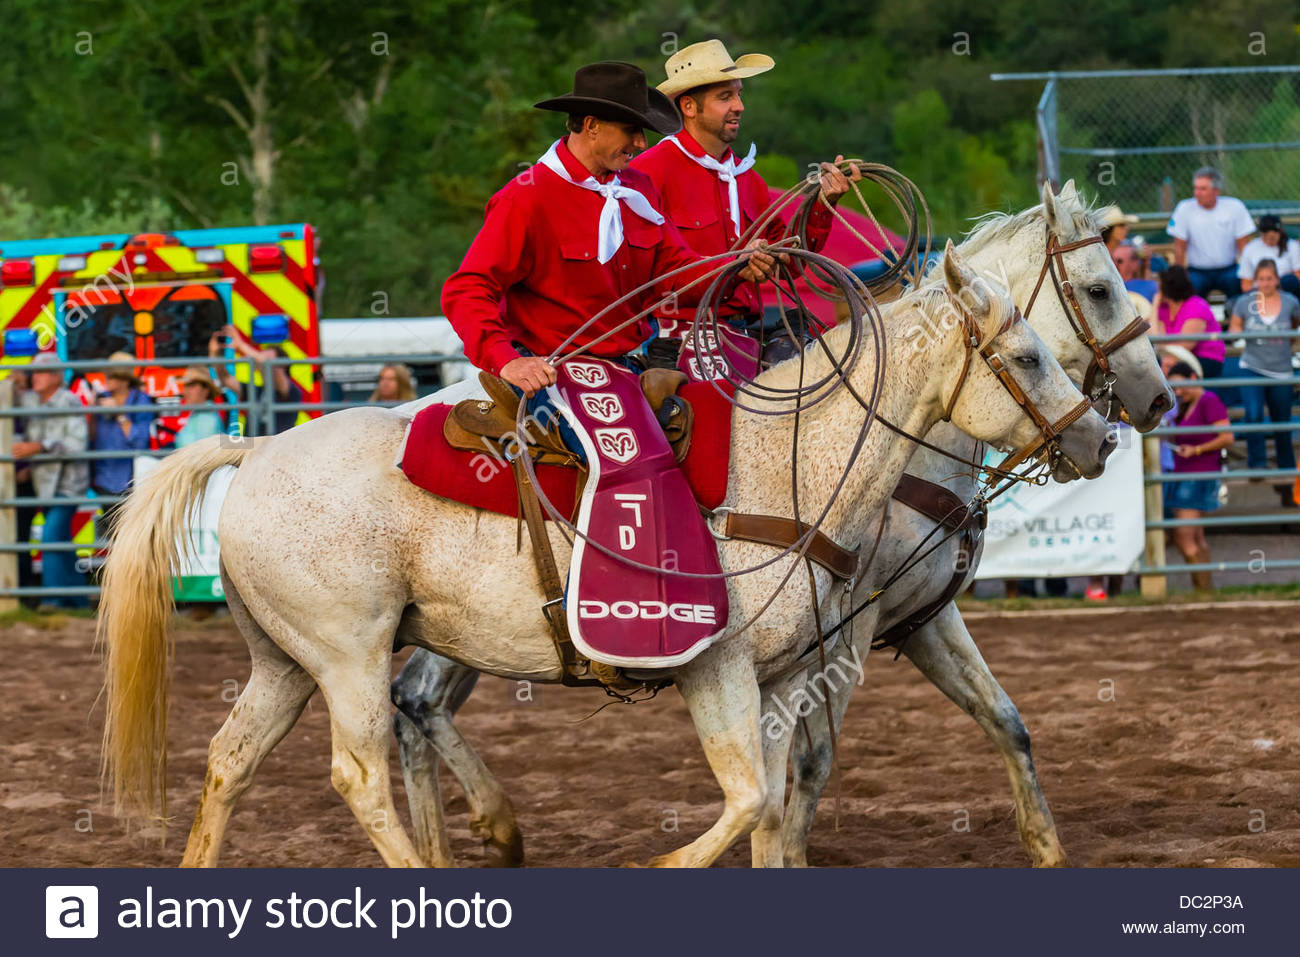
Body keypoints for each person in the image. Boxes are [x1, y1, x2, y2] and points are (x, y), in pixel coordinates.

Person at [441, 61, 777, 411]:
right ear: (591, 126)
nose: (641, 142)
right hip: (557, 371)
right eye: (631, 130)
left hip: (632, 368)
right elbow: (468, 289)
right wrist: (505, 359)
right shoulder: (527, 196)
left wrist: (731, 267)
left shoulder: (638, 187)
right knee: (638, 467)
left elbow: (675, 271)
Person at [631, 39, 859, 363]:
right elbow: (648, 275)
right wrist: (737, 269)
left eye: (739, 94)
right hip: (675, 336)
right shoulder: (647, 174)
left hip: (743, 334)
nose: (739, 106)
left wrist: (823, 203)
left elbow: (789, 264)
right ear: (689, 107)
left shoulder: (748, 179)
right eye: (725, 97)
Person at [13, 354, 90, 608]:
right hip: (45, 485)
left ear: (56, 377)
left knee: (50, 537)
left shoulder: (69, 402)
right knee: (61, 543)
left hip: (67, 485)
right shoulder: (33, 402)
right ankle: (79, 602)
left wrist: (39, 447)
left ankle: (53, 601)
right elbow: (11, 399)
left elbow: (76, 445)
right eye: (33, 373)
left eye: (41, 373)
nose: (35, 377)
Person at [1228, 259, 1299, 487]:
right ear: (1256, 280)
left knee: (1281, 421)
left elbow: (1295, 328)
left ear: (1277, 279)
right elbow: (1234, 328)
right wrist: (1239, 334)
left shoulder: (1291, 302)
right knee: (1254, 415)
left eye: (1270, 278)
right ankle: (1257, 464)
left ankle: (1287, 468)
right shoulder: (1244, 302)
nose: (1266, 283)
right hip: (1252, 367)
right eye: (1262, 279)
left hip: (1281, 371)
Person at [1164, 361, 1233, 592]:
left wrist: (1197, 450)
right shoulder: (1188, 404)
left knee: (1184, 538)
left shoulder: (1208, 400)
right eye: (1175, 388)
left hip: (1196, 475)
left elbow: (1227, 437)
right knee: (1197, 537)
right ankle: (1206, 590)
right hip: (1188, 474)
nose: (1179, 391)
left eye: (1181, 385)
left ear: (1194, 377)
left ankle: (1203, 590)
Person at [1167, 166, 1254, 304]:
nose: (1197, 193)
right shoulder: (1184, 208)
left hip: (1229, 269)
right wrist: (1180, 276)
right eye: (1195, 188)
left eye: (1202, 189)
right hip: (1197, 271)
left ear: (1216, 191)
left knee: (1238, 286)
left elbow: (1244, 246)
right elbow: (1179, 248)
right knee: (1189, 290)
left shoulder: (1234, 207)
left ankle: (1235, 322)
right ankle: (1196, 323)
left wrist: (1248, 274)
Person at [91, 351, 154, 535]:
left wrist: (119, 413)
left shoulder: (140, 400)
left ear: (125, 380)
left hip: (130, 480)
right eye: (107, 374)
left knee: (129, 533)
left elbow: (140, 441)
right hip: (103, 479)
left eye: (113, 375)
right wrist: (92, 413)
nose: (107, 378)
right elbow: (93, 437)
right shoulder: (101, 398)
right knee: (112, 534)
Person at [207, 324, 305, 434]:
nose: (259, 360)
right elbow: (225, 379)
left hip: (276, 449)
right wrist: (215, 353)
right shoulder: (256, 391)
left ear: (282, 366)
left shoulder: (290, 392)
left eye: (266, 358)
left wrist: (240, 345)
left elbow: (270, 368)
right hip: (253, 448)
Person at [1151, 265, 1226, 385]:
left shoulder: (1197, 306)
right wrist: (1154, 306)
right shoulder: (1163, 308)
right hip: (1171, 358)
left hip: (1205, 359)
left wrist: (1167, 358)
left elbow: (1184, 346)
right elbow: (1157, 339)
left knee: (1170, 370)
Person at [1239, 214, 1300, 297]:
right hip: (1259, 292)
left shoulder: (1292, 246)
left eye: (1273, 237)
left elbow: (1297, 276)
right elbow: (1246, 283)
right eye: (1266, 237)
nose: (1270, 240)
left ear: (1280, 233)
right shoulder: (1250, 248)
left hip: (1285, 291)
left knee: (1289, 280)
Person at [173, 367, 226, 447]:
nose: (185, 391)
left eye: (191, 385)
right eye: (185, 386)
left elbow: (197, 454)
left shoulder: (208, 420)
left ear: (206, 390)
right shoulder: (200, 414)